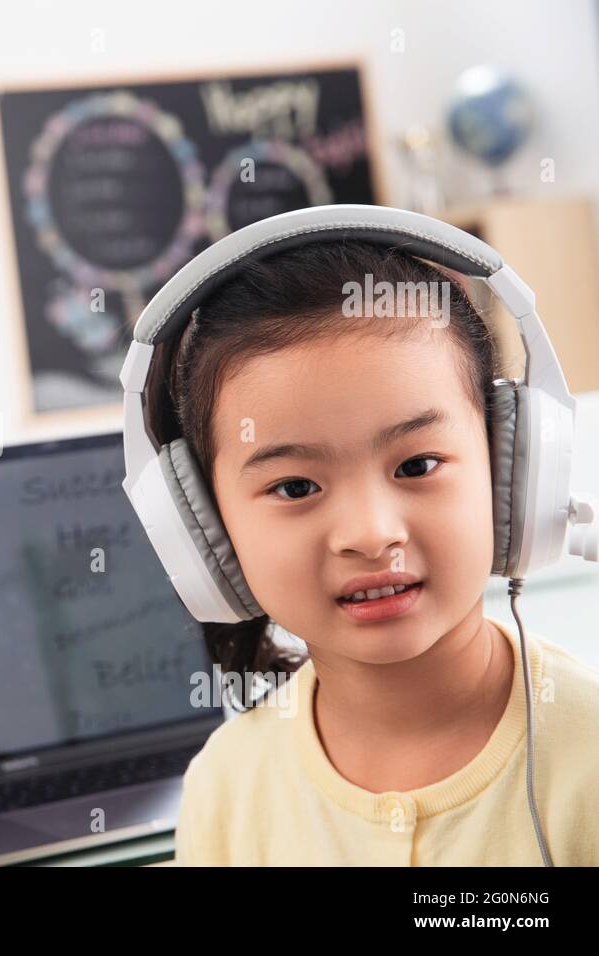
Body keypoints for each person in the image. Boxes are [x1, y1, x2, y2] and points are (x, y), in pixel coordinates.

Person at [149, 239, 599, 865]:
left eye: (417, 464)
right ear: (207, 530)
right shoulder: (225, 791)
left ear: (513, 473)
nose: (370, 533)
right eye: (295, 487)